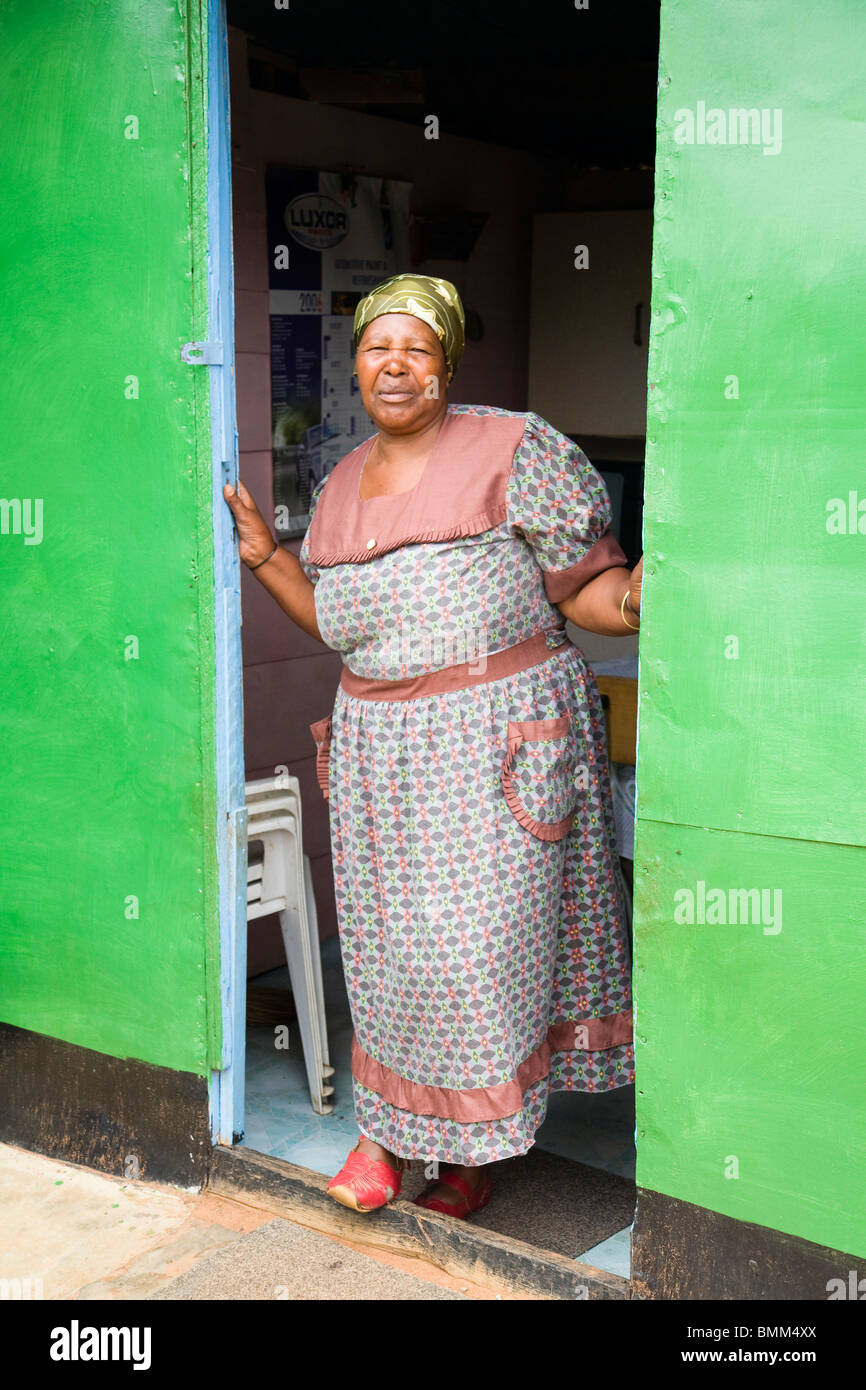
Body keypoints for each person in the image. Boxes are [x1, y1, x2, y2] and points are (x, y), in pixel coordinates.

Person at [224, 273, 643, 1219]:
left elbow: (585, 586)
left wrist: (632, 600)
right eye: (378, 349)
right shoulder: (336, 480)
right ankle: (389, 1137)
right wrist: (265, 559)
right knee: (389, 958)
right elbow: (336, 623)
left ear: (448, 363)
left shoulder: (515, 446)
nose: (395, 367)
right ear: (357, 363)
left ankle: (466, 1154)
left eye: (417, 349)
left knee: (479, 956)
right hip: (385, 759)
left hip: (496, 750)